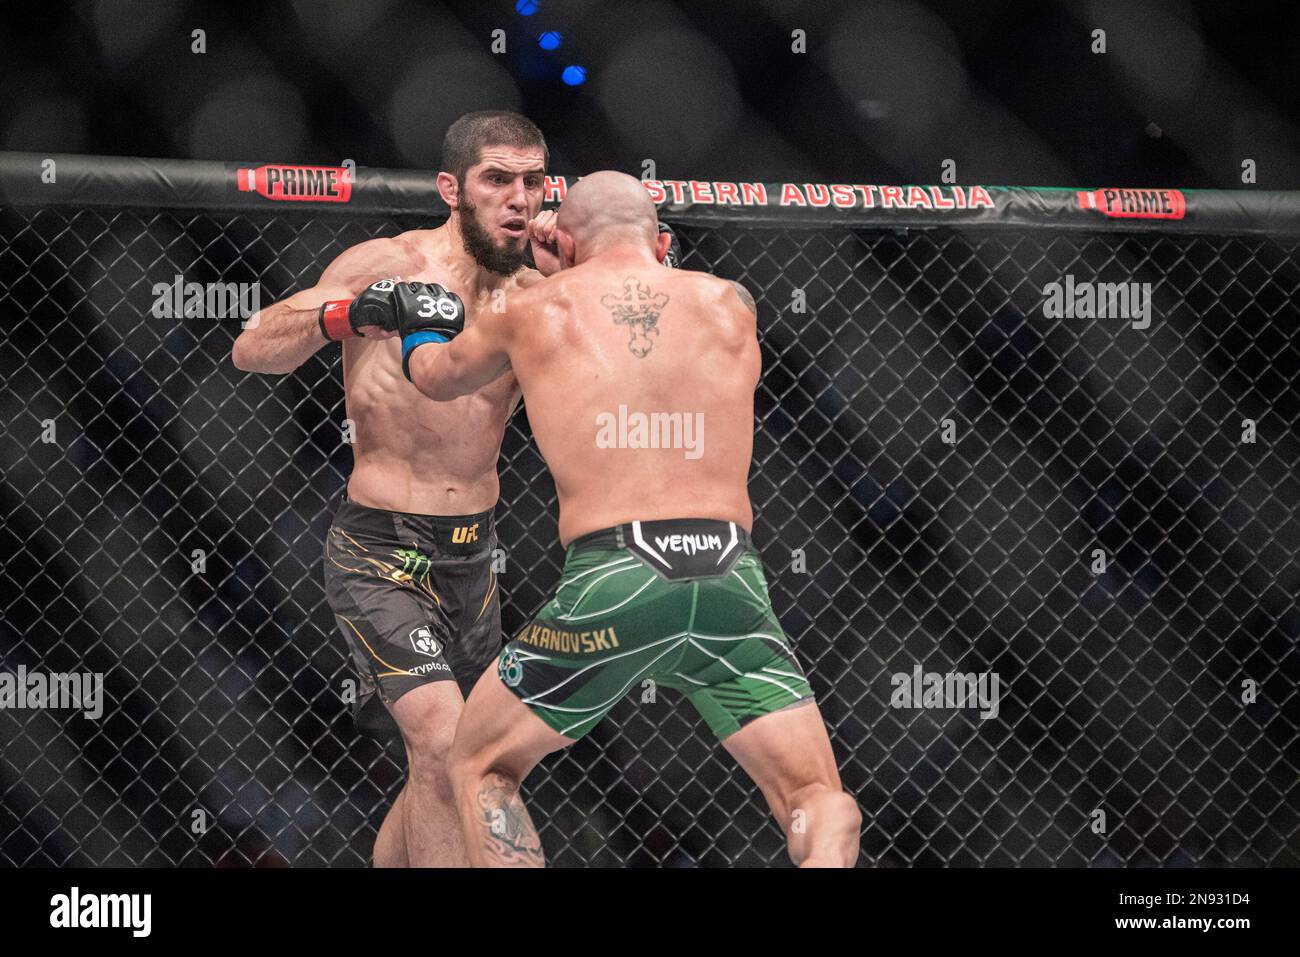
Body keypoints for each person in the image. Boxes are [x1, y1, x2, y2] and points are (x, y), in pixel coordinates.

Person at [398, 171, 862, 867]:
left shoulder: (537, 309)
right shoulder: (732, 305)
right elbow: (648, 321)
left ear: (565, 240)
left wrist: (417, 319)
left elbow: (434, 375)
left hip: (619, 575)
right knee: (817, 792)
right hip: (730, 577)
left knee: (481, 763)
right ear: (664, 241)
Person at [229, 110, 557, 867]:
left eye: (533, 180)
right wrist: (353, 313)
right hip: (380, 548)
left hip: (476, 555)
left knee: (456, 758)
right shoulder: (390, 261)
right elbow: (253, 347)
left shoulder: (541, 287)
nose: (519, 197)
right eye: (498, 179)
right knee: (443, 740)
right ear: (451, 188)